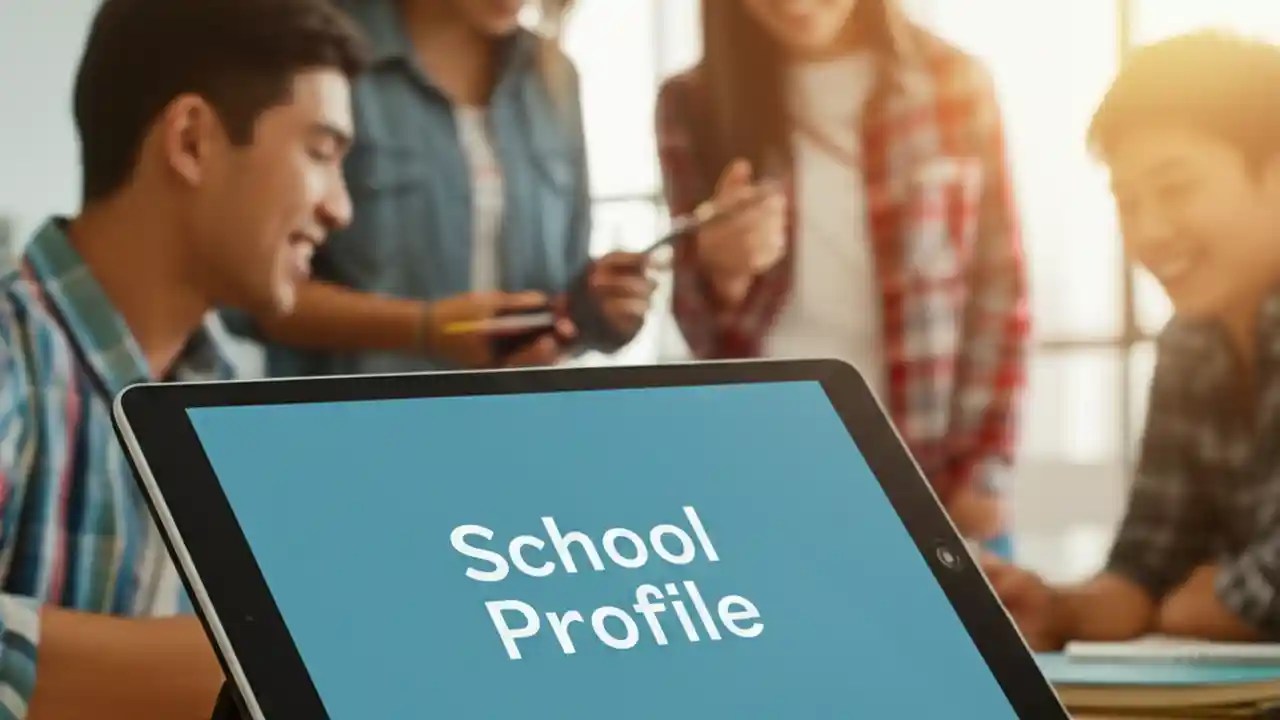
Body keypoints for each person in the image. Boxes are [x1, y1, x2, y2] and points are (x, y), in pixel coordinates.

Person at [0, 0, 367, 715]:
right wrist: (261, 656)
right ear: (193, 140)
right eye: (320, 153)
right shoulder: (12, 356)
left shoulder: (235, 396)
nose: (340, 208)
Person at [655, 0, 1028, 545]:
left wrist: (988, 465)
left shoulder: (954, 81)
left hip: (932, 473)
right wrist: (725, 275)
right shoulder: (692, 103)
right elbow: (706, 338)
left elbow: (1000, 285)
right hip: (773, 474)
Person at [986, 32, 1280, 649]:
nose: (1148, 230)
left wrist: (1209, 601)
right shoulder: (1191, 343)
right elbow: (1148, 567)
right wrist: (1057, 609)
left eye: (1176, 189)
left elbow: (1241, 602)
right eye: (1128, 203)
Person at [234, 0, 655, 377]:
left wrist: (602, 312)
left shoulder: (555, 79)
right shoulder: (328, 61)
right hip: (357, 432)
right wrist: (424, 328)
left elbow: (564, 295)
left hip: (518, 427)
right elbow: (255, 295)